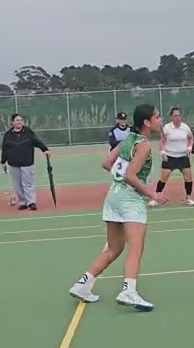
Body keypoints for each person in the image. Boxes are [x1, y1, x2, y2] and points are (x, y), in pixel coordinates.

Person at [69, 104, 165, 310]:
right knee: (135, 246)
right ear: (147, 122)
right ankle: (128, 291)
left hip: (113, 196)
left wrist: (122, 178)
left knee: (114, 247)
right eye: (157, 116)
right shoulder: (144, 145)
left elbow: (107, 163)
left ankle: (83, 284)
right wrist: (152, 194)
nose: (160, 119)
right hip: (130, 199)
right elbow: (130, 175)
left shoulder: (127, 140)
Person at [0, 114, 50, 211]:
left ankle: (31, 202)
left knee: (28, 183)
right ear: (12, 122)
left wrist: (45, 150)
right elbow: (4, 148)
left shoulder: (28, 132)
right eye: (17, 120)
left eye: (20, 120)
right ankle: (23, 202)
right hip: (13, 163)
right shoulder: (8, 135)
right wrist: (3, 161)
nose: (19, 122)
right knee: (17, 184)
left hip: (27, 162)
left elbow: (37, 142)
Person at [153, 107, 194, 207]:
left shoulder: (185, 127)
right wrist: (163, 153)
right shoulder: (167, 128)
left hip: (183, 157)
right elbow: (162, 141)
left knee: (188, 178)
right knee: (164, 177)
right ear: (171, 117)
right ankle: (156, 197)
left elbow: (191, 138)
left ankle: (188, 198)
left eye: (179, 115)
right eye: (175, 116)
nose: (177, 118)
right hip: (170, 156)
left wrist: (189, 148)